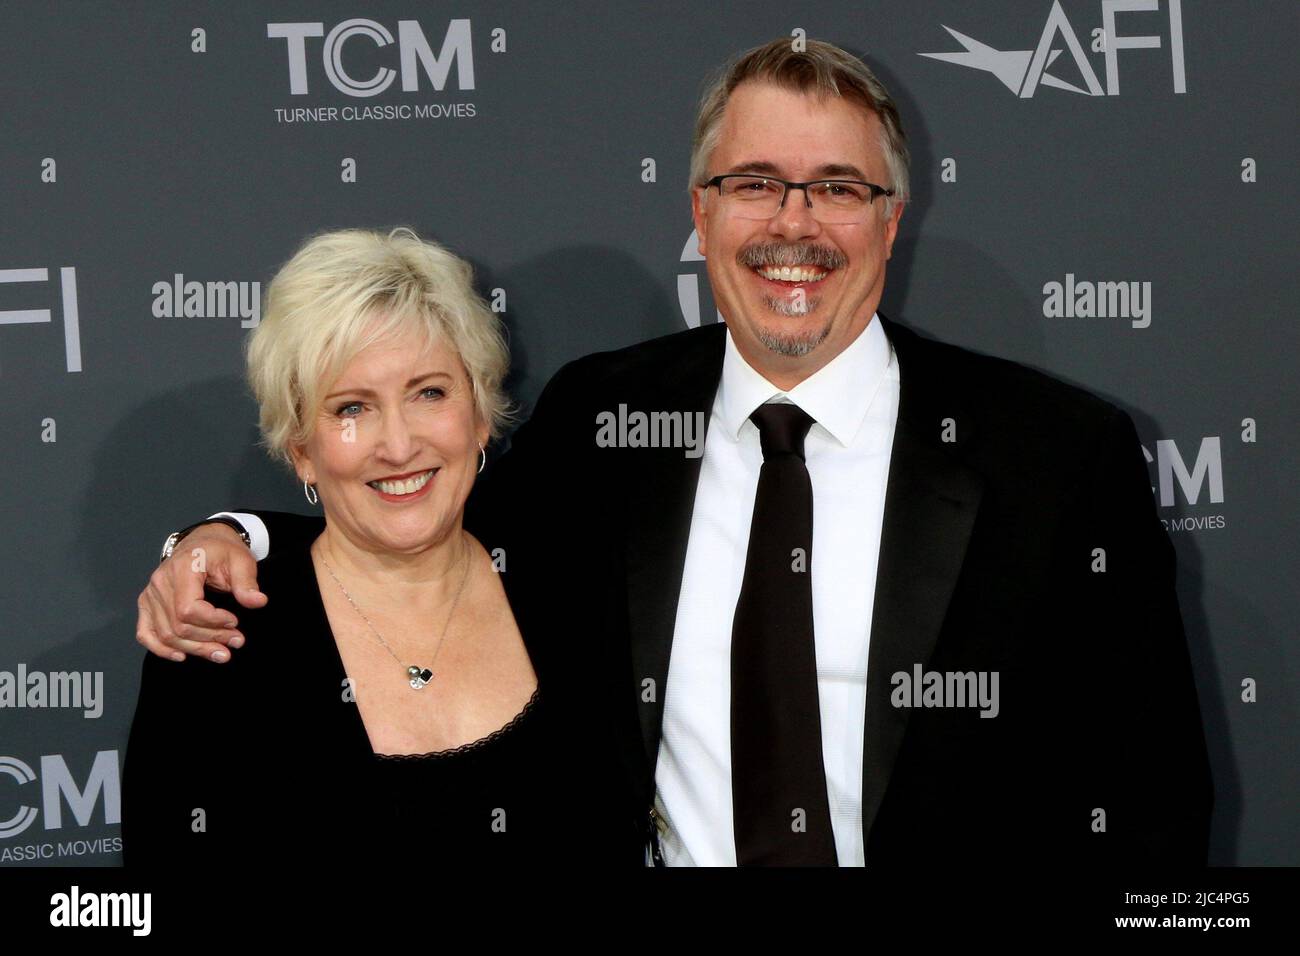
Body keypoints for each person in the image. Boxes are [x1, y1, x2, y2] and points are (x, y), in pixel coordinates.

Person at [134, 39, 1213, 867]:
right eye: (753, 183)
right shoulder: (605, 418)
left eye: (837, 186)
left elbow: (1154, 802)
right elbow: (416, 521)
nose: (793, 224)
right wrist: (228, 538)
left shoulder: (1057, 459)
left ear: (893, 219)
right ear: (701, 210)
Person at [124, 227, 628, 867]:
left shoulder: (574, 584)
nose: (398, 445)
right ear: (302, 448)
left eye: (429, 393)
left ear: (479, 413)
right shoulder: (218, 636)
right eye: (352, 408)